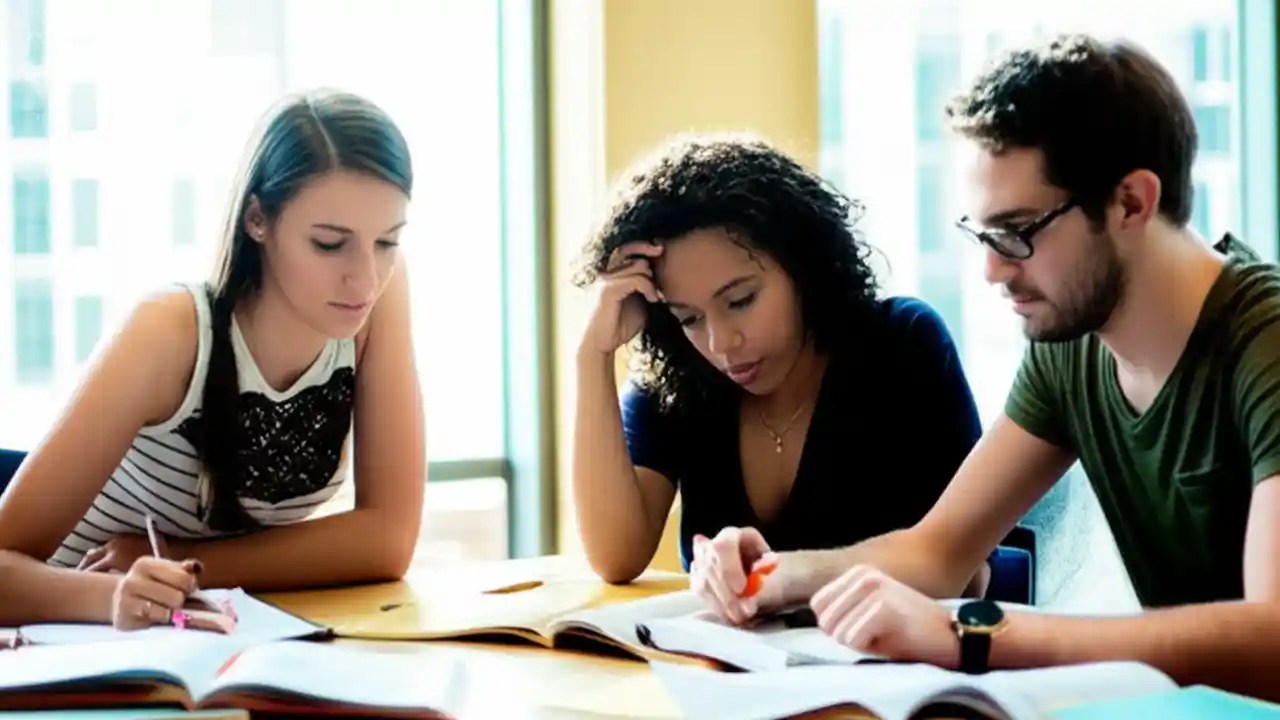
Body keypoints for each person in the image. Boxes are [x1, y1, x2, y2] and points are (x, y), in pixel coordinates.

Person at [688, 33, 1280, 700]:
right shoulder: (1070, 346)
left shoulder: (1266, 347)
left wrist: (973, 635)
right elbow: (938, 553)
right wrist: (775, 576)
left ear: (1132, 203)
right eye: (983, 234)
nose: (993, 270)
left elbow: (1273, 640)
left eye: (1018, 231)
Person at [0, 89, 425, 629]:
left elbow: (387, 540)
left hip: (203, 627)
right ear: (257, 220)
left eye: (387, 241)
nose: (364, 276)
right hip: (71, 642)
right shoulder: (169, 333)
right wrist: (112, 597)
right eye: (327, 243)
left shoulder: (376, 299)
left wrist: (183, 565)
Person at [571, 134, 985, 606]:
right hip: (730, 673)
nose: (721, 343)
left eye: (740, 301)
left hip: (888, 669)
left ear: (801, 266)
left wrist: (775, 576)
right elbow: (615, 556)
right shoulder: (680, 379)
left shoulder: (902, 344)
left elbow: (967, 572)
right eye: (689, 318)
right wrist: (591, 355)